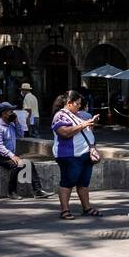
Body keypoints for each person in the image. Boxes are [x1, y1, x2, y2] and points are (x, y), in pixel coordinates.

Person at [51, 90, 102, 219]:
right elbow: (64, 132)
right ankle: (65, 210)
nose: (79, 106)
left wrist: (91, 123)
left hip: (85, 154)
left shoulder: (79, 115)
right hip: (69, 155)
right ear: (69, 103)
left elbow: (86, 130)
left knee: (84, 183)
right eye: (77, 103)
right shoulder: (60, 116)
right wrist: (83, 124)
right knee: (68, 182)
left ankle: (87, 207)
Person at [0, 101, 47, 200]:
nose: (12, 113)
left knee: (30, 163)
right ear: (3, 114)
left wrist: (16, 122)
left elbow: (21, 135)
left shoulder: (11, 125)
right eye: (10, 111)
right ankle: (11, 192)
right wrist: (12, 156)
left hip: (10, 155)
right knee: (18, 164)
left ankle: (38, 191)